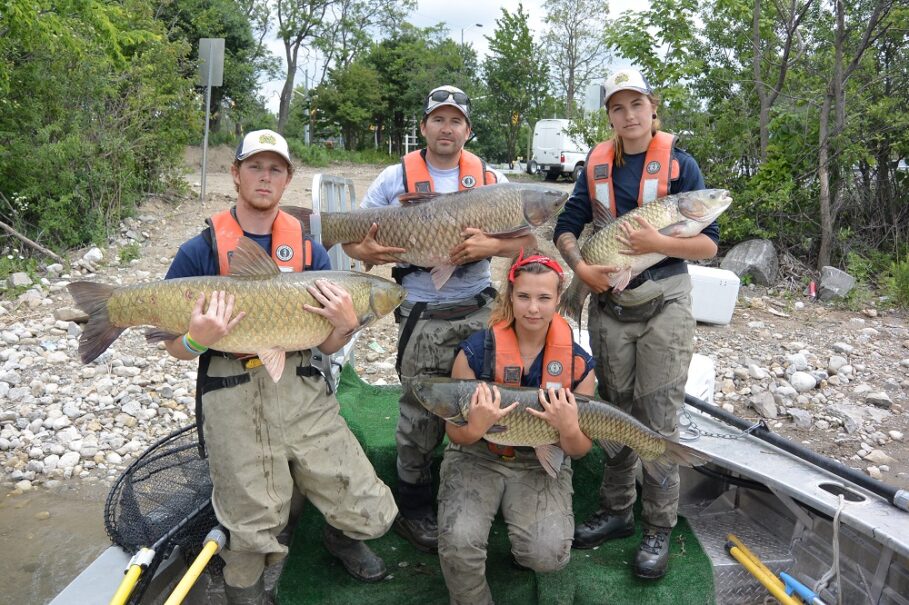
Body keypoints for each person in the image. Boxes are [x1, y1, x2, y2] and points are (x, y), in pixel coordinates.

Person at [163, 130, 397, 604]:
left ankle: (342, 535)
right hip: (231, 389)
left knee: (370, 508)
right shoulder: (200, 250)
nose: (265, 177)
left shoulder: (308, 252)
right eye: (255, 166)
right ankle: (244, 588)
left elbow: (327, 344)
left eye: (275, 169)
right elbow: (174, 346)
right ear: (236, 173)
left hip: (300, 384)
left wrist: (345, 328)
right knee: (250, 520)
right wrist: (195, 339)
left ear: (287, 179)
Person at [343, 85, 536, 553]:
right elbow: (352, 240)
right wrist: (364, 251)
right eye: (438, 119)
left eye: (456, 120)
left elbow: (527, 242)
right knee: (419, 409)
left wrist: (492, 247)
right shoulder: (393, 178)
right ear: (424, 126)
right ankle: (414, 503)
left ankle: (472, 496)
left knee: (487, 401)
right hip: (420, 311)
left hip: (478, 308)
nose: (446, 128)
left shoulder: (491, 180)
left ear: (467, 130)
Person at [553, 68, 720, 579]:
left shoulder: (682, 167)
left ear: (653, 109)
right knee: (613, 411)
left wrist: (659, 244)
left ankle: (659, 525)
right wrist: (581, 270)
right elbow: (566, 227)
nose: (629, 116)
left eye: (637, 105)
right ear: (609, 115)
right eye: (618, 108)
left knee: (659, 416)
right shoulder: (595, 166)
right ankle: (617, 509)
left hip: (664, 304)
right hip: (609, 304)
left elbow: (709, 246)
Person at [437, 250, 596, 605]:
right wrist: (475, 426)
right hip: (477, 455)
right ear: (510, 296)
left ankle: (521, 539)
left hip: (538, 463)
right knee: (459, 544)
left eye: (544, 298)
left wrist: (569, 429)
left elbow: (579, 449)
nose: (533, 308)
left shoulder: (578, 364)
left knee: (547, 554)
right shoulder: (476, 351)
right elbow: (455, 435)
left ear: (558, 298)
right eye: (523, 297)